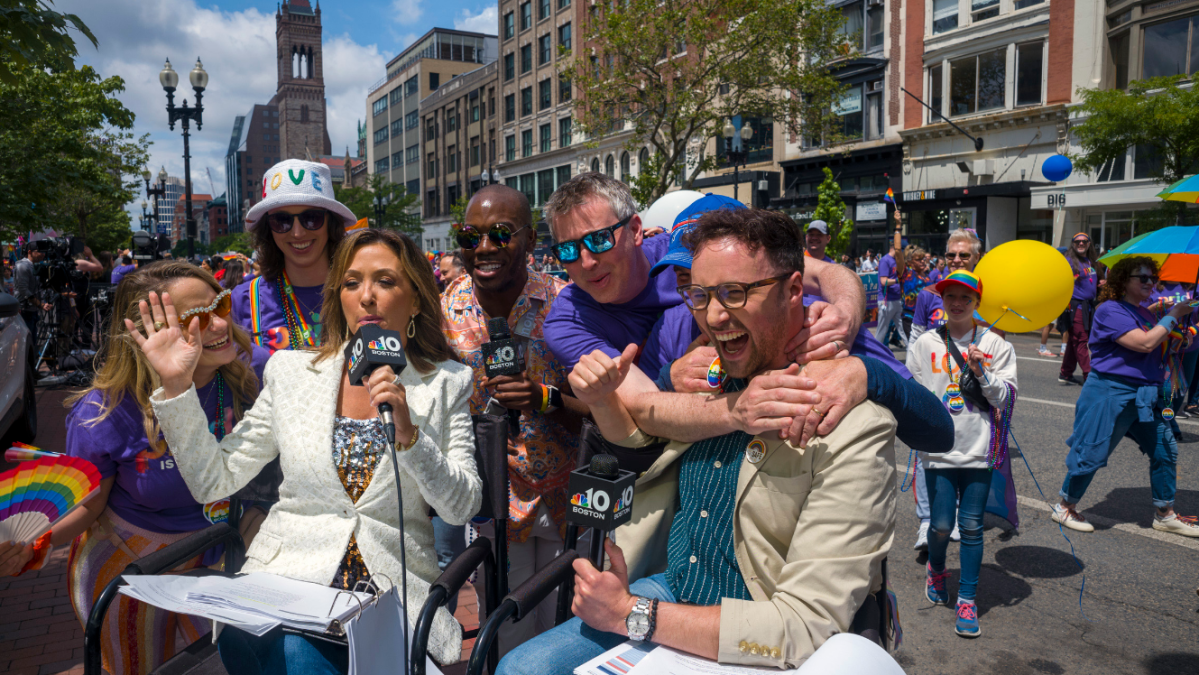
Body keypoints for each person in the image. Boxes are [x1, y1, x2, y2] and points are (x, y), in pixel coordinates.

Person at [497, 207, 902, 675]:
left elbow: (802, 626)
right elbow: (642, 442)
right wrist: (604, 398)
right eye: (699, 295)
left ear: (794, 291)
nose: (712, 316)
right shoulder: (709, 379)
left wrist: (631, 612)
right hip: (672, 587)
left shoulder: (851, 423)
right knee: (519, 669)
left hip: (757, 623)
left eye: (735, 293)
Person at [134, 228, 483, 672]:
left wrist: (411, 437)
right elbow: (213, 481)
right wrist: (176, 387)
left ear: (415, 300)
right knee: (275, 646)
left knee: (297, 656)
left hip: (386, 593)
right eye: (352, 283)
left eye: (385, 281)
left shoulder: (446, 382)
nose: (367, 297)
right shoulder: (292, 372)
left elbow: (461, 507)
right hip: (288, 582)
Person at [0, 262, 269, 675]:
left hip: (220, 554)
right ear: (150, 334)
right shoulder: (103, 411)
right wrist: (35, 542)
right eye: (195, 319)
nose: (219, 325)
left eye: (220, 305)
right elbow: (89, 505)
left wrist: (258, 513)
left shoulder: (248, 378)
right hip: (129, 567)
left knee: (237, 665)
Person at [541, 173, 874, 446]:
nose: (586, 261)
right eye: (567, 250)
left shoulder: (691, 247)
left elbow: (822, 273)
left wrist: (847, 322)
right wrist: (731, 405)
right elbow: (641, 404)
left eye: (599, 239)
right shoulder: (568, 322)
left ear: (635, 230)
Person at [442, 185, 591, 653]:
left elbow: (604, 412)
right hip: (496, 505)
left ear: (530, 239)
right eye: (471, 237)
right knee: (506, 632)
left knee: (567, 631)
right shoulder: (444, 312)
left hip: (568, 501)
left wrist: (543, 398)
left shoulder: (569, 304)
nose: (484, 248)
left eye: (501, 234)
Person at [1054, 256, 1199, 538]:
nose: (1149, 282)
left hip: (1144, 396)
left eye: (1152, 278)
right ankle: (1064, 506)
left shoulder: (1145, 313)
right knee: (1092, 451)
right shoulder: (1110, 309)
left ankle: (1165, 514)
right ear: (1123, 281)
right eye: (1142, 277)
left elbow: (1155, 350)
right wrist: (1174, 314)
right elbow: (1144, 344)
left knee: (1165, 449)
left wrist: (1177, 340)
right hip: (1111, 392)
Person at [907, 270, 1017, 637]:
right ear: (941, 300)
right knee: (940, 525)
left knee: (970, 526)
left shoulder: (996, 344)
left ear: (977, 303)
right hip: (937, 448)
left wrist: (982, 372)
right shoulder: (926, 343)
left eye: (965, 298)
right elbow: (913, 392)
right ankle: (937, 569)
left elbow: (1004, 399)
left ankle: (967, 599)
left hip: (978, 449)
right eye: (950, 296)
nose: (956, 303)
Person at [908, 227, 985, 550]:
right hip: (935, 386)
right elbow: (915, 338)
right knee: (928, 452)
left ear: (977, 257)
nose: (956, 259)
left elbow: (996, 343)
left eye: (964, 254)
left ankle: (955, 513)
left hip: (972, 391)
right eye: (951, 254)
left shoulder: (986, 295)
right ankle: (928, 519)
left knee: (967, 452)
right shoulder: (929, 294)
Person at [232, 159, 352, 353]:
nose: (297, 233)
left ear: (331, 222)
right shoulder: (244, 300)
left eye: (311, 218)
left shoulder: (361, 292)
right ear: (268, 228)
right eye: (282, 220)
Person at [1060, 233, 1101, 384]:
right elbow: (1063, 280)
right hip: (1075, 306)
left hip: (1088, 306)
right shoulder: (1069, 261)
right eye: (1078, 242)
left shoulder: (1090, 261)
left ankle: (1065, 373)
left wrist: (1100, 284)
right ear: (1073, 244)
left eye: (1084, 241)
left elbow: (1090, 280)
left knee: (1075, 339)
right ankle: (1088, 375)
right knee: (1081, 339)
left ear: (1089, 244)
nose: (1081, 244)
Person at [874, 213, 907, 348]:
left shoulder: (897, 261)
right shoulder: (885, 260)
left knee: (903, 329)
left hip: (897, 300)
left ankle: (912, 351)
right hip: (886, 301)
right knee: (882, 330)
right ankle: (875, 353)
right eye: (902, 250)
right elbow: (883, 281)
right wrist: (898, 280)